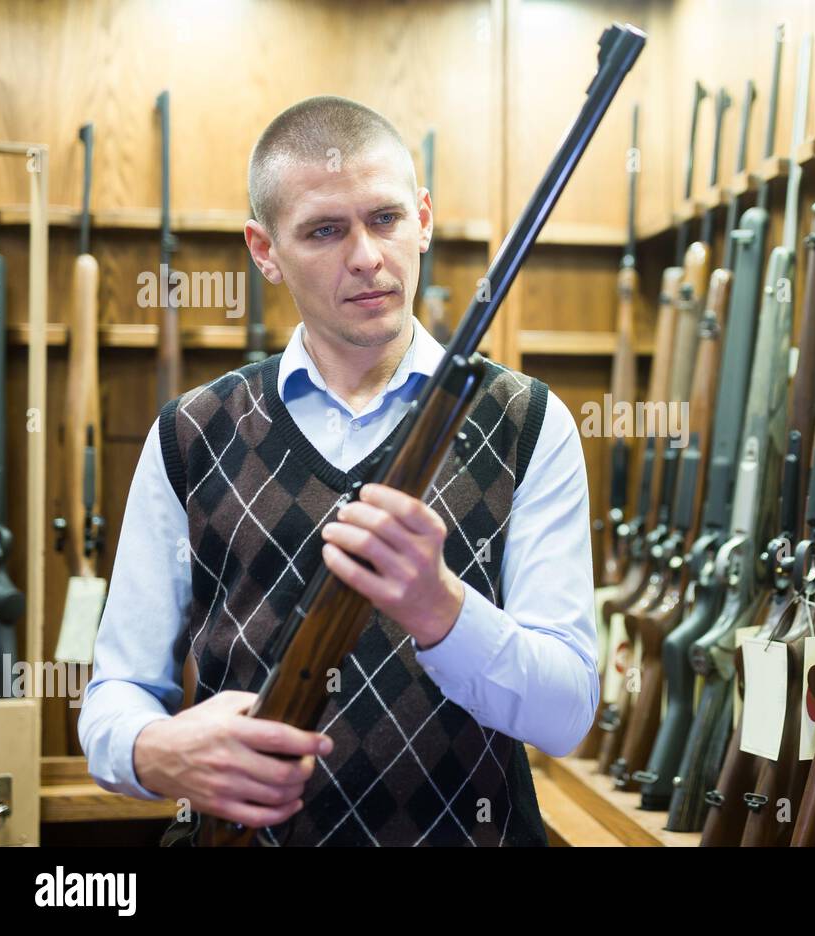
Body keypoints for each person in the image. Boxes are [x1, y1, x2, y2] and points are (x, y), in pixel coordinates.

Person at [80, 96, 597, 846]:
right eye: (324, 230)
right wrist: (152, 750)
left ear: (422, 217)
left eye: (384, 219)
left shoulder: (527, 422)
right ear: (264, 250)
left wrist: (441, 611)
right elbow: (116, 692)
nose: (365, 256)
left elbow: (568, 713)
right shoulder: (192, 433)